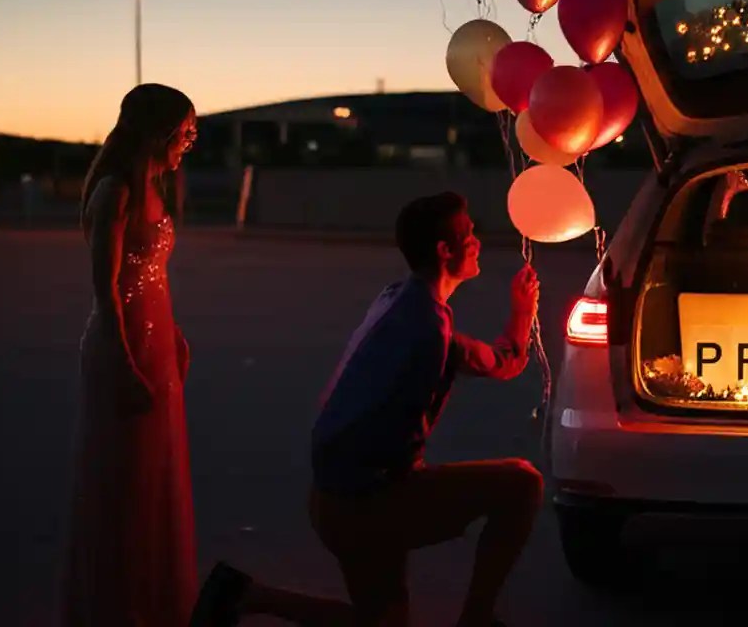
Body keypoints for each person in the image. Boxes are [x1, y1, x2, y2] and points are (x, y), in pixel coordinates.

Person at [191, 192, 543, 627]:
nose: (478, 242)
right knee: (522, 483)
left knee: (383, 621)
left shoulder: (400, 298)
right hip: (363, 500)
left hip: (333, 491)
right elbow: (494, 365)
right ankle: (476, 618)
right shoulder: (428, 329)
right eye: (468, 234)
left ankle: (242, 595)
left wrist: (521, 312)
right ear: (444, 251)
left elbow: (497, 359)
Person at [61, 83, 199, 625]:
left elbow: (153, 279)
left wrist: (175, 332)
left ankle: (157, 597)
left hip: (157, 339)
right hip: (123, 345)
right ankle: (121, 604)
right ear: (156, 131)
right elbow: (108, 290)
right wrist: (124, 362)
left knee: (157, 471)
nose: (189, 142)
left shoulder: (158, 190)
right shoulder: (115, 193)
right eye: (184, 132)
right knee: (124, 478)